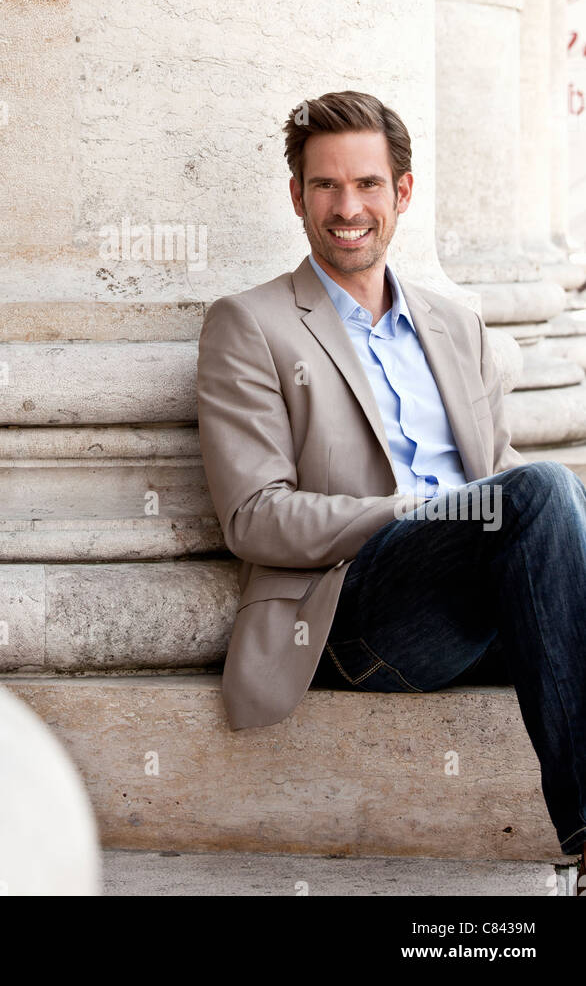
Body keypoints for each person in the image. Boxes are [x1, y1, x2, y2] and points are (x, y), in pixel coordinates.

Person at [195, 90, 586, 892]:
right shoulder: (251, 325)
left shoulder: (458, 325)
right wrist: (406, 512)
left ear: (401, 193)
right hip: (356, 611)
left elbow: (511, 481)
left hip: (476, 596)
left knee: (553, 494)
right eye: (326, 186)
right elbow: (253, 516)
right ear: (298, 196)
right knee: (546, 490)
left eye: (368, 184)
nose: (348, 208)